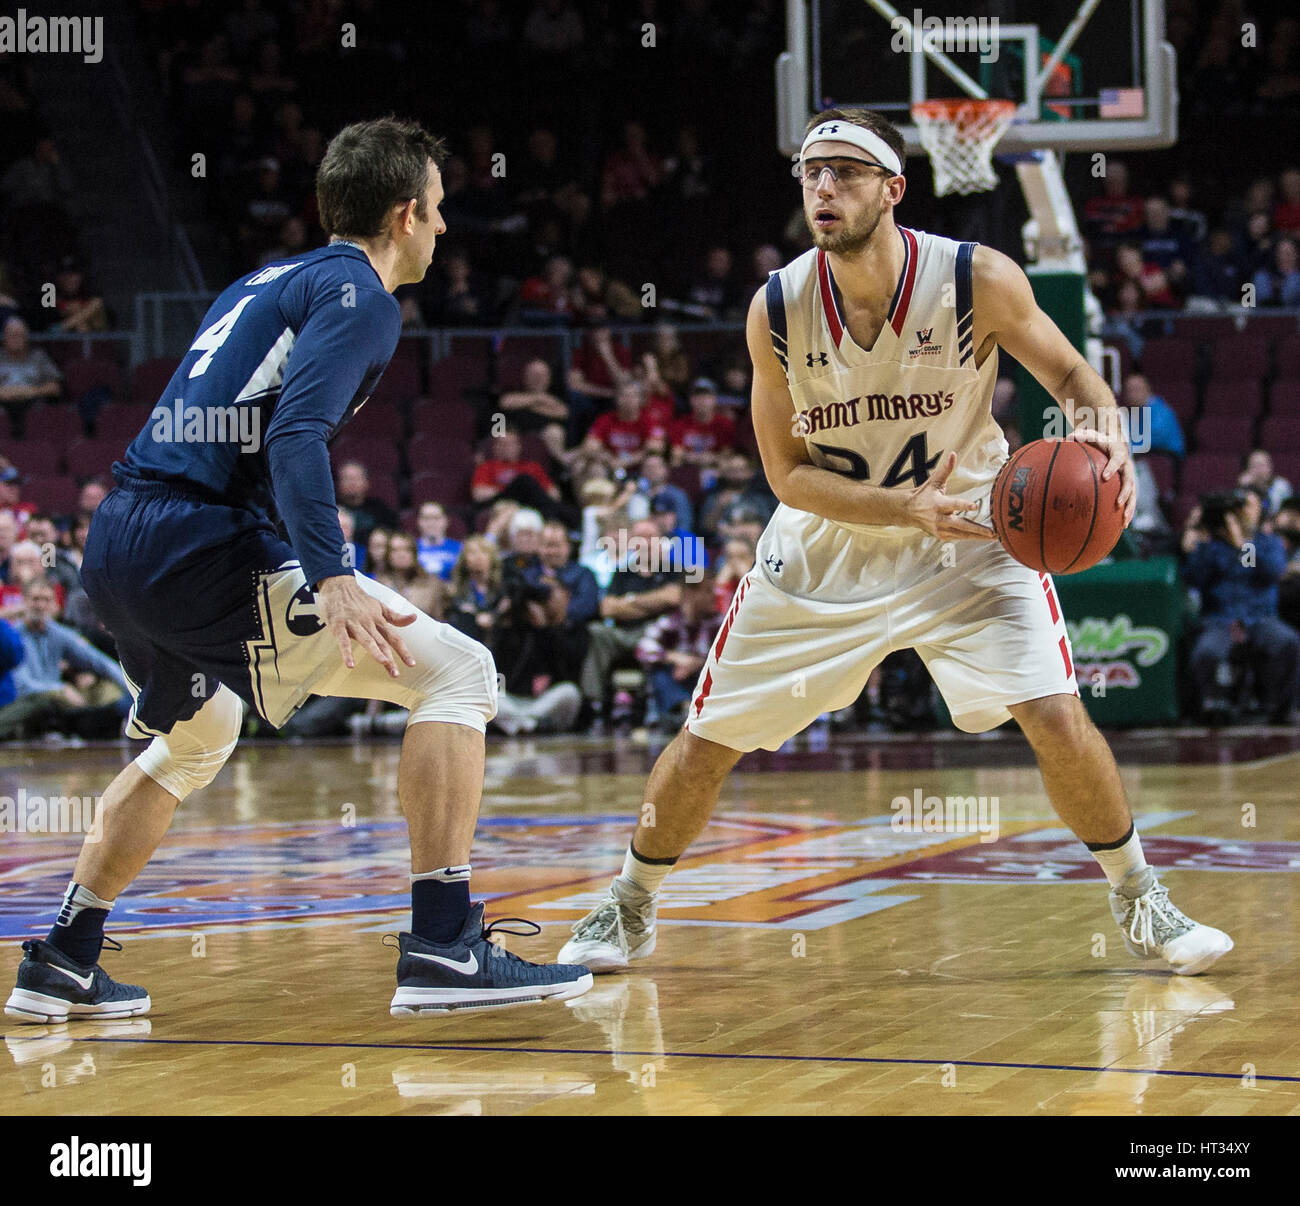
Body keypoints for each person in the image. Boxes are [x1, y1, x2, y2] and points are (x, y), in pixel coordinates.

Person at [558, 107, 1232, 978]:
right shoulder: (777, 308)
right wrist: (900, 508)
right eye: (811, 172)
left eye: (844, 171)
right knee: (708, 739)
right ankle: (629, 903)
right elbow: (785, 475)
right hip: (827, 550)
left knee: (1056, 713)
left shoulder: (975, 278)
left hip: (973, 535)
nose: (823, 187)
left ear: (892, 189)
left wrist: (1105, 433)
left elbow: (1069, 372)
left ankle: (1141, 897)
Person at [5, 116, 589, 1027]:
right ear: (404, 214)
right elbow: (294, 435)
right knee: (462, 674)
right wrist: (333, 573)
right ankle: (444, 944)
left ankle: (65, 959)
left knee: (197, 739)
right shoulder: (364, 296)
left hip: (120, 541)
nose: (444, 227)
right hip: (197, 542)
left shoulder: (264, 280)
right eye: (437, 209)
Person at [1183, 489, 1298, 723]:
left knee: (1289, 642)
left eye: (1247, 506)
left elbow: (1271, 571)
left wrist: (1243, 543)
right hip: (1220, 619)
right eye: (1238, 506)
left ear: (1259, 511)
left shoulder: (1268, 542)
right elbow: (1195, 578)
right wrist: (1198, 541)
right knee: (1206, 651)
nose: (1241, 511)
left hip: (1260, 618)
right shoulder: (1212, 544)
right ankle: (1215, 705)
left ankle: (1282, 707)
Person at [414, 501, 461, 580]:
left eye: (436, 518)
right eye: (426, 518)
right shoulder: (410, 548)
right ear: (419, 522)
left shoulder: (460, 548)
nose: (431, 523)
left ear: (446, 521)